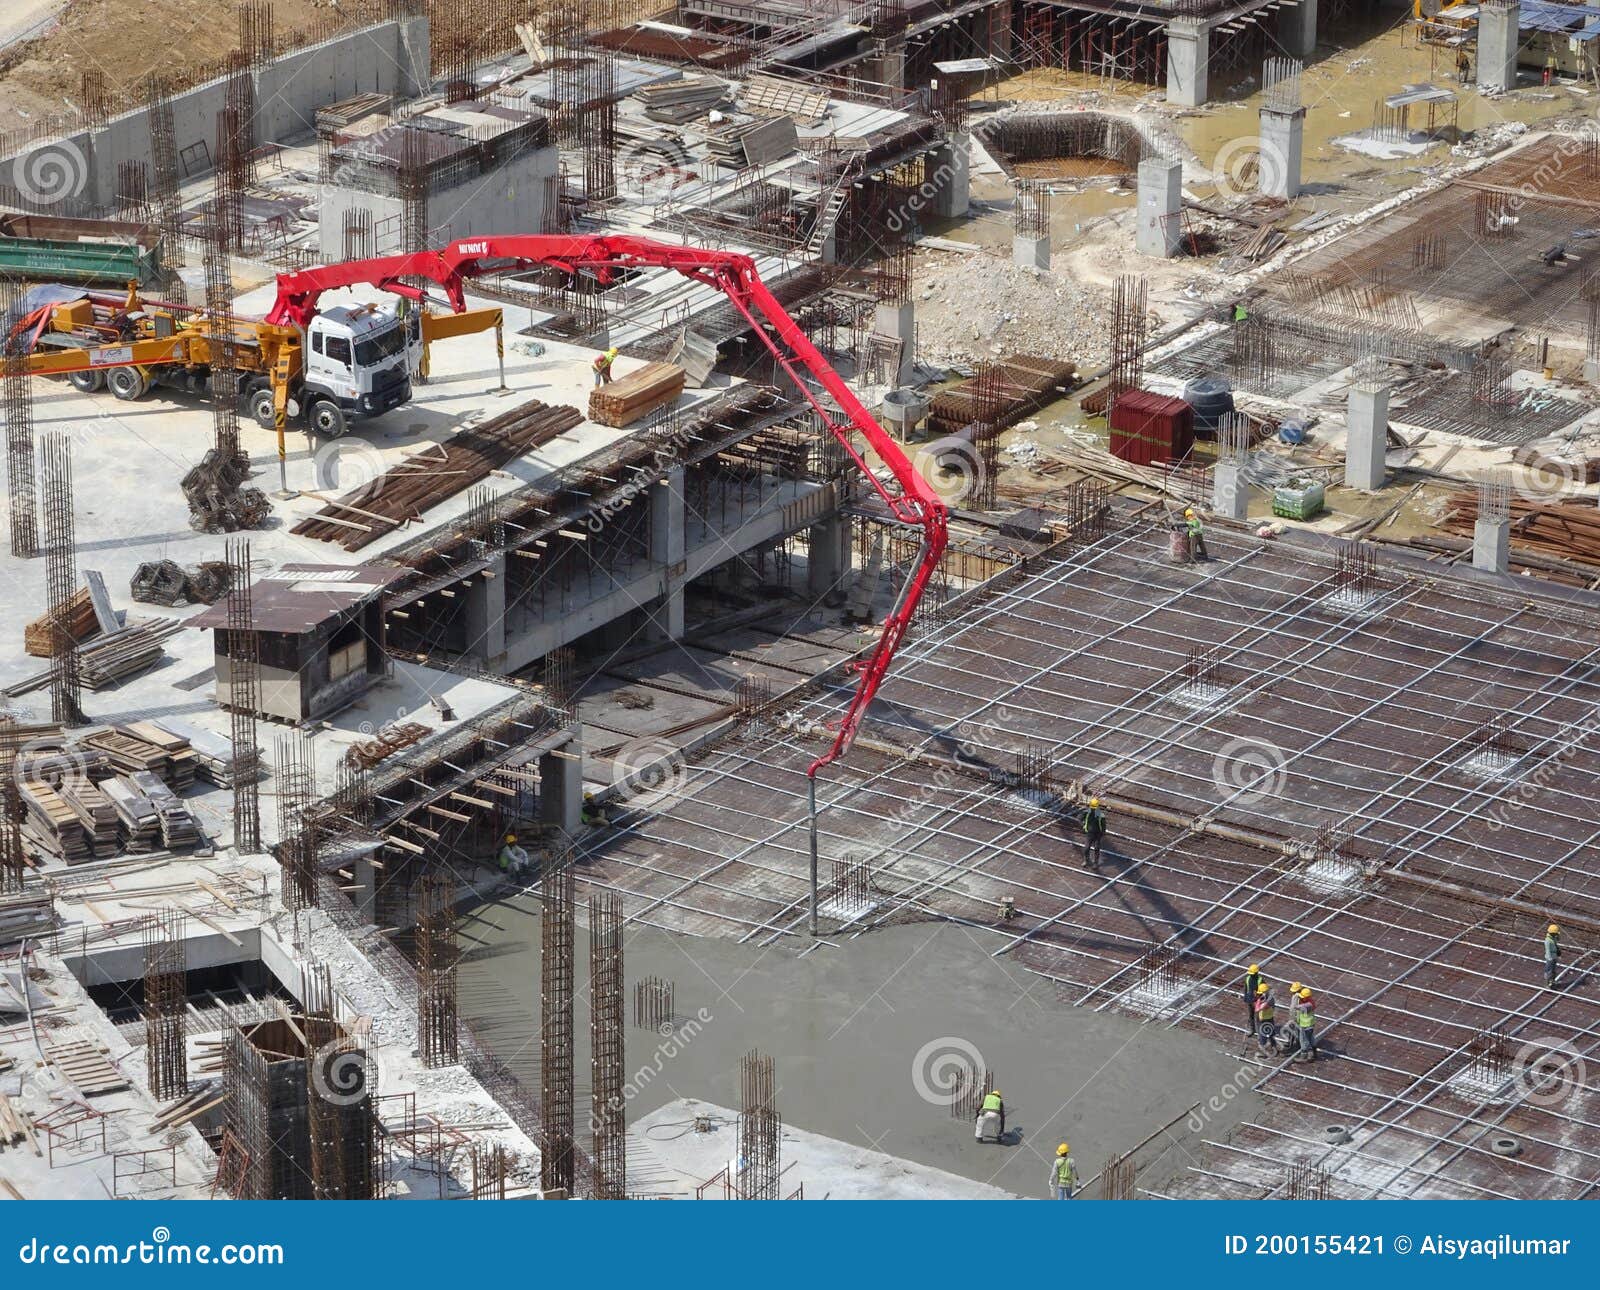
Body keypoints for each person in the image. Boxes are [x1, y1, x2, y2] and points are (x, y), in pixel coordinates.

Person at [1082, 796, 1107, 868]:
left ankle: (1095, 863)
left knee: (1096, 848)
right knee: (1086, 848)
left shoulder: (1100, 815)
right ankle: (1086, 860)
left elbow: (1103, 825)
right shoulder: (1087, 812)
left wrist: (1102, 833)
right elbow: (1079, 818)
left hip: (1097, 834)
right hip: (1089, 833)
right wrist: (1084, 826)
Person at [1254, 981, 1277, 1052]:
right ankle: (1273, 1045)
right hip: (1269, 1017)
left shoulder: (1266, 1001)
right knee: (1270, 1032)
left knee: (1262, 1034)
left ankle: (1263, 1048)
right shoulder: (1270, 998)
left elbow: (1257, 1009)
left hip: (1263, 1019)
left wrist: (1258, 1002)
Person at [1294, 987, 1316, 1062]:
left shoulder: (1308, 1005)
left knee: (1304, 1040)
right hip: (1310, 1023)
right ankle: (1313, 1053)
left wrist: (1296, 999)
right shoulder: (1311, 1002)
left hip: (1305, 1024)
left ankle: (1304, 1055)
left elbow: (1297, 1007)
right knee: (1310, 1038)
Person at [1243, 963, 1262, 1038]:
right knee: (1251, 1016)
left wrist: (1258, 1001)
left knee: (1258, 1017)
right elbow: (1246, 989)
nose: (1251, 975)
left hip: (1257, 1001)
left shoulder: (1260, 980)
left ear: (1256, 973)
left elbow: (1262, 992)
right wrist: (1245, 998)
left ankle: (1260, 1032)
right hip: (1250, 1000)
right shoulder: (1247, 978)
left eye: (1253, 974)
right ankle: (1252, 1029)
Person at [1545, 923, 1561, 988]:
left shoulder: (1553, 938)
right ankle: (1548, 983)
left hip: (1554, 956)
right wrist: (1550, 959)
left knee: (1553, 970)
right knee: (1549, 971)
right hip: (1550, 958)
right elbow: (1548, 950)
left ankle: (1553, 981)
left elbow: (1558, 940)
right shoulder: (1548, 941)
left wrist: (1558, 935)